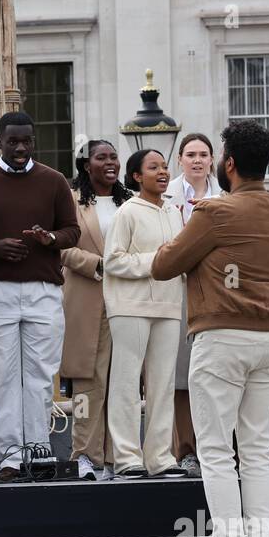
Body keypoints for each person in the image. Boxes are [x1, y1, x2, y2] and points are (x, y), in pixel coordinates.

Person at [151, 120, 269, 537]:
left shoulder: (213, 212)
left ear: (227, 164)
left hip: (222, 333)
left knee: (216, 451)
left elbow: (163, 264)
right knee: (257, 452)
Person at [0, 111, 80, 481]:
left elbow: (72, 230)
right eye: (12, 141)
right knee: (0, 377)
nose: (20, 148)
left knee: (39, 375)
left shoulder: (54, 180)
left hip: (43, 290)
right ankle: (10, 458)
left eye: (26, 141)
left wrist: (50, 239)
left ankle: (38, 451)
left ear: (34, 142)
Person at [103, 149, 186, 479]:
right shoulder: (127, 212)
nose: (163, 172)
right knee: (126, 383)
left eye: (165, 166)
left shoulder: (174, 212)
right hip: (129, 307)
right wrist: (158, 261)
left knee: (163, 385)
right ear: (137, 176)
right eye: (154, 167)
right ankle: (126, 458)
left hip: (168, 306)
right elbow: (113, 260)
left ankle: (160, 458)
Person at [59, 139, 132, 481]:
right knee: (88, 382)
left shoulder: (131, 201)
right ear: (86, 165)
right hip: (88, 299)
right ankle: (85, 455)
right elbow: (61, 248)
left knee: (124, 381)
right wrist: (101, 265)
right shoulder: (71, 200)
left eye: (113, 156)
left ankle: (119, 456)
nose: (109, 162)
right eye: (101, 157)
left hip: (128, 302)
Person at [163, 133, 223, 476]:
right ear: (180, 160)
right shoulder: (166, 197)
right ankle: (185, 449)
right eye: (190, 154)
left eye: (203, 154)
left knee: (215, 375)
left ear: (212, 160)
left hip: (216, 293)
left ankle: (216, 448)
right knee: (181, 376)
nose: (197, 160)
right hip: (176, 294)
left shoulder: (225, 198)